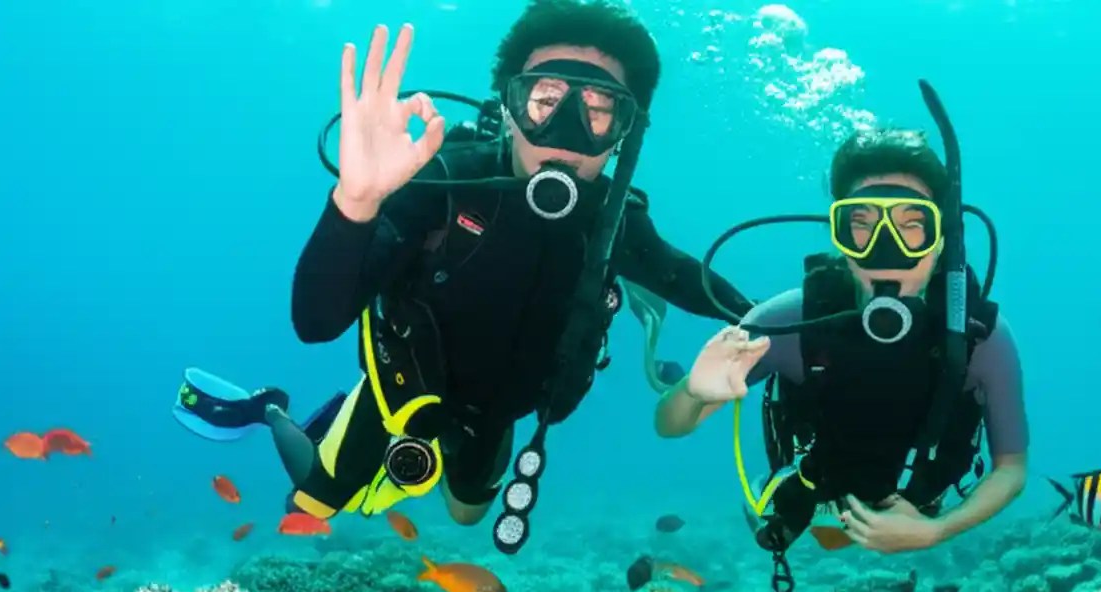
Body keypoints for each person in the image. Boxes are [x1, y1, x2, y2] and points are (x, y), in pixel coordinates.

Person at [174, 0, 752, 555]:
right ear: (508, 107)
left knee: (466, 514)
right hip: (402, 393)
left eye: (599, 110)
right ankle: (271, 410)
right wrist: (355, 201)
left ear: (625, 131)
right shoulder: (447, 182)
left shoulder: (613, 224)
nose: (566, 133)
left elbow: (684, 277)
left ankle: (458, 451)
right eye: (545, 100)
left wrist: (768, 325)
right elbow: (316, 321)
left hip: (499, 410)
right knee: (313, 506)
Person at [654, 85, 1028, 589]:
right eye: (862, 224)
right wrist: (692, 393)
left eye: (912, 226)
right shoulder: (792, 320)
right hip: (815, 501)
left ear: (942, 240)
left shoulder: (978, 334)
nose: (886, 249)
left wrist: (936, 532)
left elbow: (1011, 468)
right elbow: (670, 426)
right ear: (838, 234)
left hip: (920, 509)